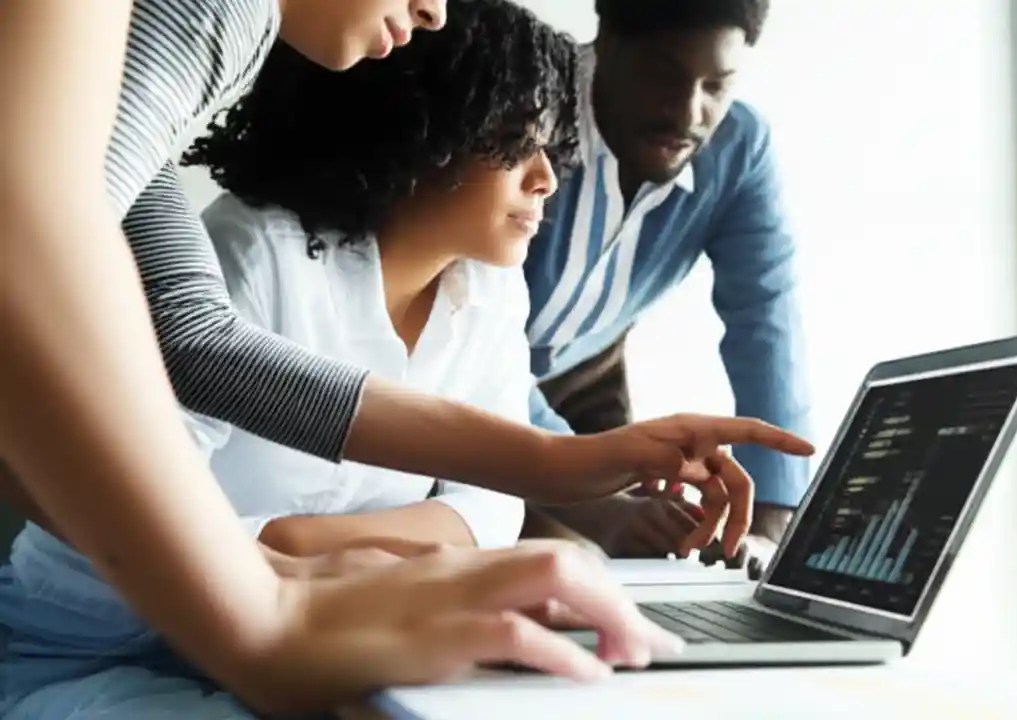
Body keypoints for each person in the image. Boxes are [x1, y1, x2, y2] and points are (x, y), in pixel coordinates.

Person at [0, 0, 813, 715]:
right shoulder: (224, 22)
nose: (433, 10)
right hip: (102, 647)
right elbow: (41, 281)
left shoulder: (489, 288)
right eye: (518, 143)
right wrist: (278, 594)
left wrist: (561, 464)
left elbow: (192, 339)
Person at [185, 0, 581, 559]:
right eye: (516, 143)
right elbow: (143, 503)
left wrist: (294, 543)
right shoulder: (255, 254)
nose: (545, 180)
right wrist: (301, 551)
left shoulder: (492, 291)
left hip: (326, 606)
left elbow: (493, 507)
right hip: (144, 609)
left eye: (549, 147)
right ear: (423, 130)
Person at [523, 0, 809, 575]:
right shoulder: (521, 108)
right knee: (544, 564)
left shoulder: (739, 148)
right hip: (446, 384)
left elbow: (765, 322)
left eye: (716, 85)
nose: (688, 113)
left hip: (584, 386)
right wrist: (593, 502)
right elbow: (464, 336)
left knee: (635, 575)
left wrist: (770, 526)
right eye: (663, 76)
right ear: (607, 42)